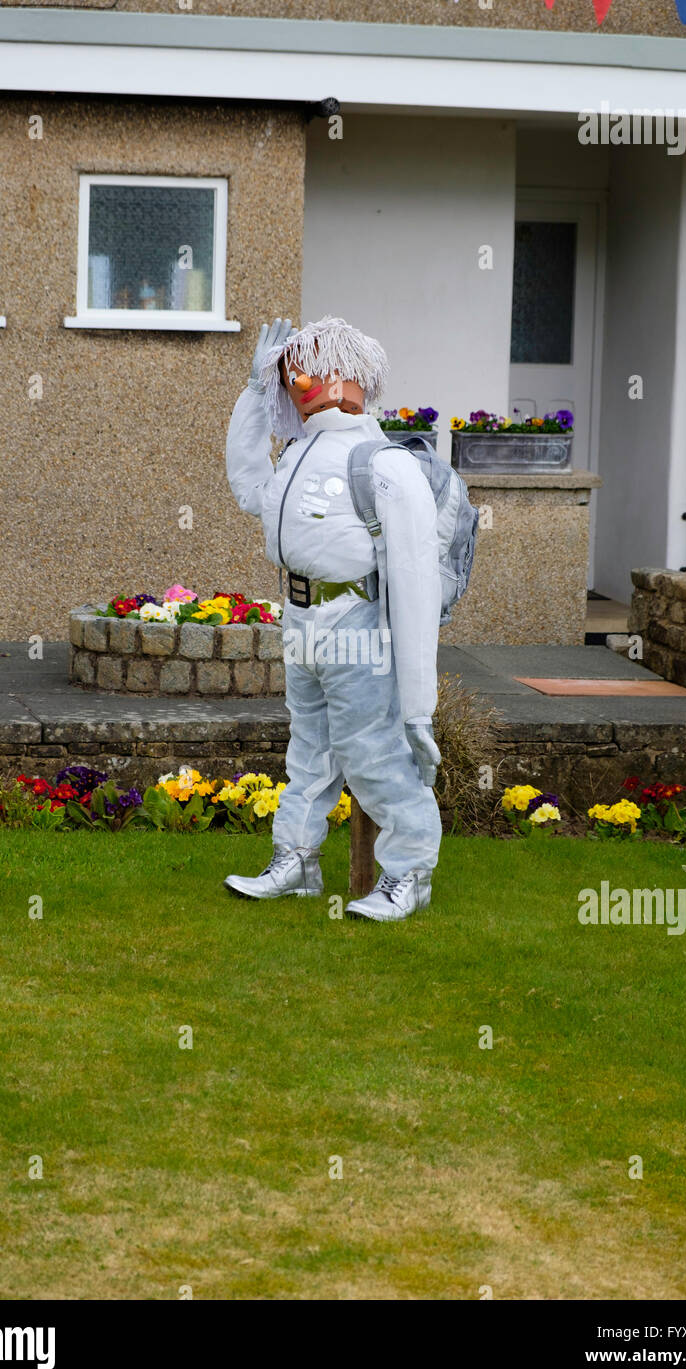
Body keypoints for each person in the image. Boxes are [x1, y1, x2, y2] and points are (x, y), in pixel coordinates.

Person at [223, 315, 442, 921]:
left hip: (356, 623)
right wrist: (253, 393)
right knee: (309, 750)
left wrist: (418, 705)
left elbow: (415, 584)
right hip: (301, 621)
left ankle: (409, 873)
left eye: (312, 368)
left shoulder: (384, 464)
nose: (298, 382)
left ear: (352, 375)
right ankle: (296, 860)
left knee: (373, 753)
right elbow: (248, 485)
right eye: (291, 372)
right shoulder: (297, 453)